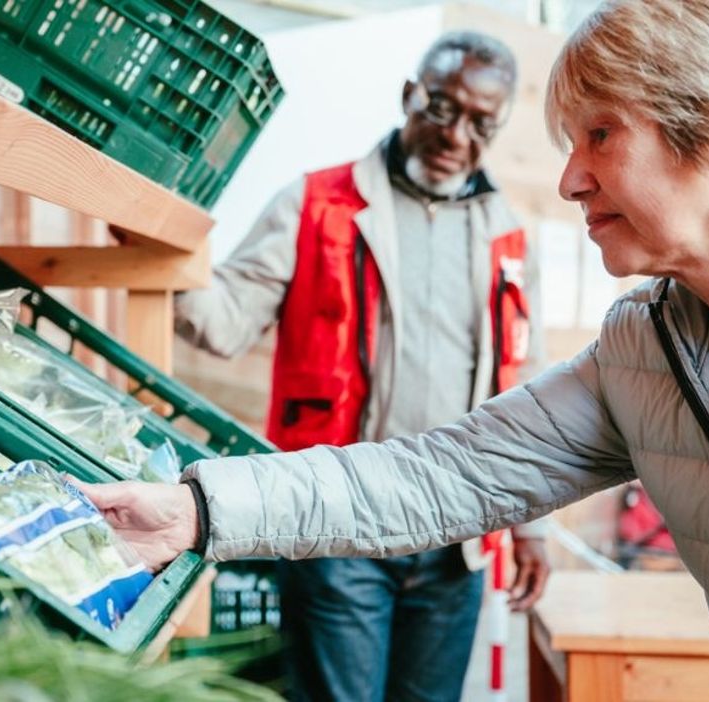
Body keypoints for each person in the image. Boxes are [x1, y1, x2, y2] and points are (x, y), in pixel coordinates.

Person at [79, 1, 709, 700]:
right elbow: (450, 470)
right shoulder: (646, 351)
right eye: (571, 140)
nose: (569, 179)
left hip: (450, 567)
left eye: (601, 133)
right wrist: (198, 509)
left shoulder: (504, 231)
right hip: (346, 547)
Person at [168, 31, 551, 702]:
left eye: (480, 123)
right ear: (410, 95)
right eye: (440, 107)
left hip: (455, 535)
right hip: (338, 525)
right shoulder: (316, 203)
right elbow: (224, 320)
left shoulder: (507, 232)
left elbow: (530, 385)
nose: (455, 135)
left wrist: (531, 528)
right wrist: (159, 239)